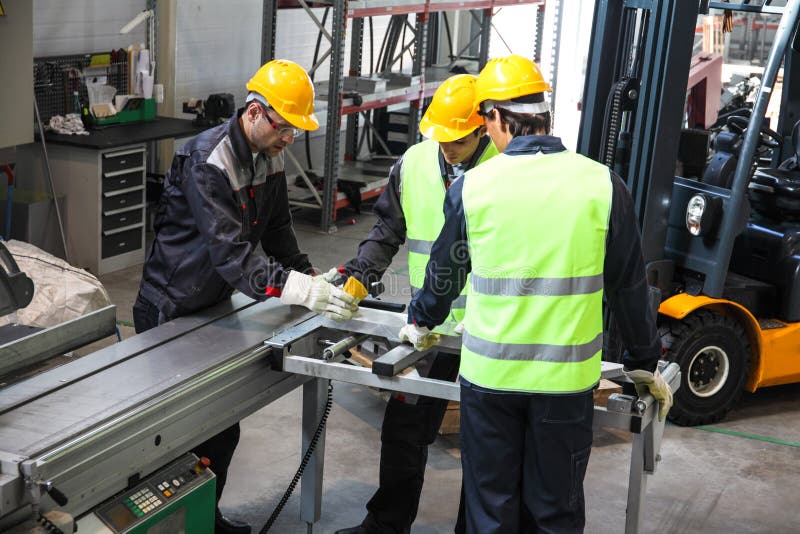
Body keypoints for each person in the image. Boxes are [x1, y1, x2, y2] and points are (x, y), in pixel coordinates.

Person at [398, 55, 673, 533]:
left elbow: (445, 274)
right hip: (564, 386)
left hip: (490, 380)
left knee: (491, 510)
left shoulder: (474, 187)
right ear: (545, 116)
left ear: (496, 119)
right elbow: (629, 286)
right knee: (555, 511)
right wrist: (645, 362)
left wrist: (420, 320)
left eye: (485, 120)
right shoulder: (602, 185)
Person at [133, 59, 358, 534]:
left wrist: (312, 280)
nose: (289, 140)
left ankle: (204, 519)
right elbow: (235, 257)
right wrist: (299, 290)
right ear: (255, 113)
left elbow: (276, 231)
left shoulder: (269, 155)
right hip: (170, 308)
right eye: (285, 128)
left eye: (295, 131)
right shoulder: (207, 162)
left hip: (211, 306)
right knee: (174, 436)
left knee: (222, 425)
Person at [334, 74, 498, 534]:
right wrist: (357, 280)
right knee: (404, 427)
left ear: (484, 127)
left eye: (458, 139)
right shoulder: (413, 163)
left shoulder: (505, 170)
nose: (447, 147)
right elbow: (386, 233)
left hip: (487, 333)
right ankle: (386, 525)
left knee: (486, 444)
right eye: (441, 136)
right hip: (427, 330)